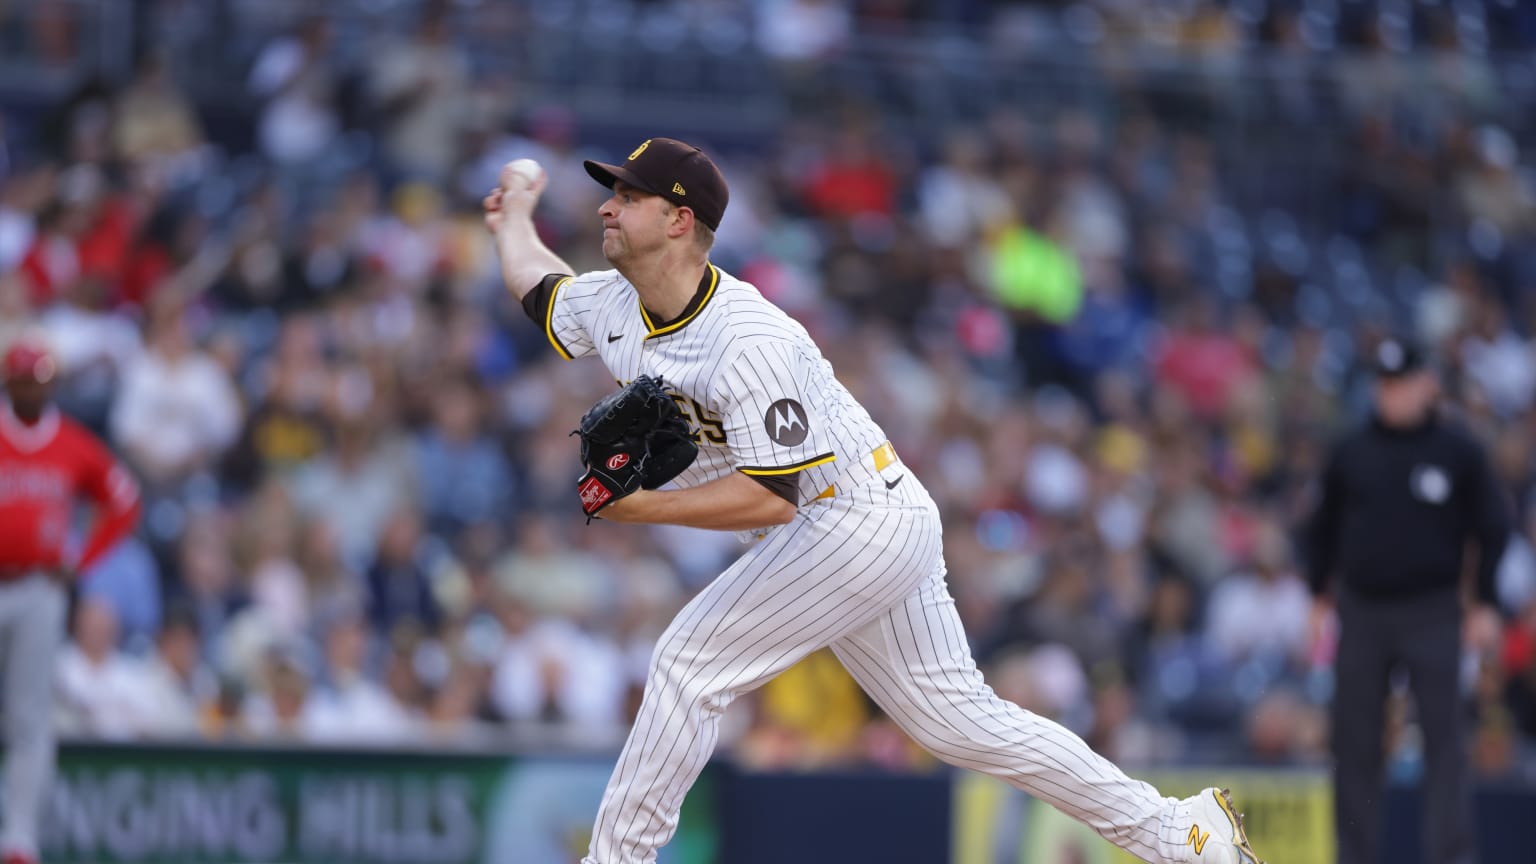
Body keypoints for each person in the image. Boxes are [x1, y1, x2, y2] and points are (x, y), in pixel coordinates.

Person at [484, 138, 1263, 864]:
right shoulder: (618, 304)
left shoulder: (750, 339)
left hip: (853, 516)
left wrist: (639, 509)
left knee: (688, 662)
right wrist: (513, 217)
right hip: (854, 524)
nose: (606, 207)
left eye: (627, 195)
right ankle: (1182, 833)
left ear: (679, 220)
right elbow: (543, 294)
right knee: (960, 723)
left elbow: (772, 498)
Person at [1303, 336, 1509, 864]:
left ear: (1427, 384)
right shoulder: (1351, 451)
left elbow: (1494, 524)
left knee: (1446, 740)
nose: (1390, 395)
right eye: (1383, 385)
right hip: (1362, 610)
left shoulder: (1457, 450)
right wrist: (1316, 596)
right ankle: (1354, 856)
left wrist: (1484, 600)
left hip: (1433, 610)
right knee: (1354, 746)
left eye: (1400, 384)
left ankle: (1452, 855)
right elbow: (1320, 528)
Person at [0, 335, 140, 864]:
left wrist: (81, 558)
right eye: (21, 380)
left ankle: (18, 840)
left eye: (38, 381)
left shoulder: (73, 443)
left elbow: (123, 502)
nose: (30, 390)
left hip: (40, 587)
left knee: (29, 717)